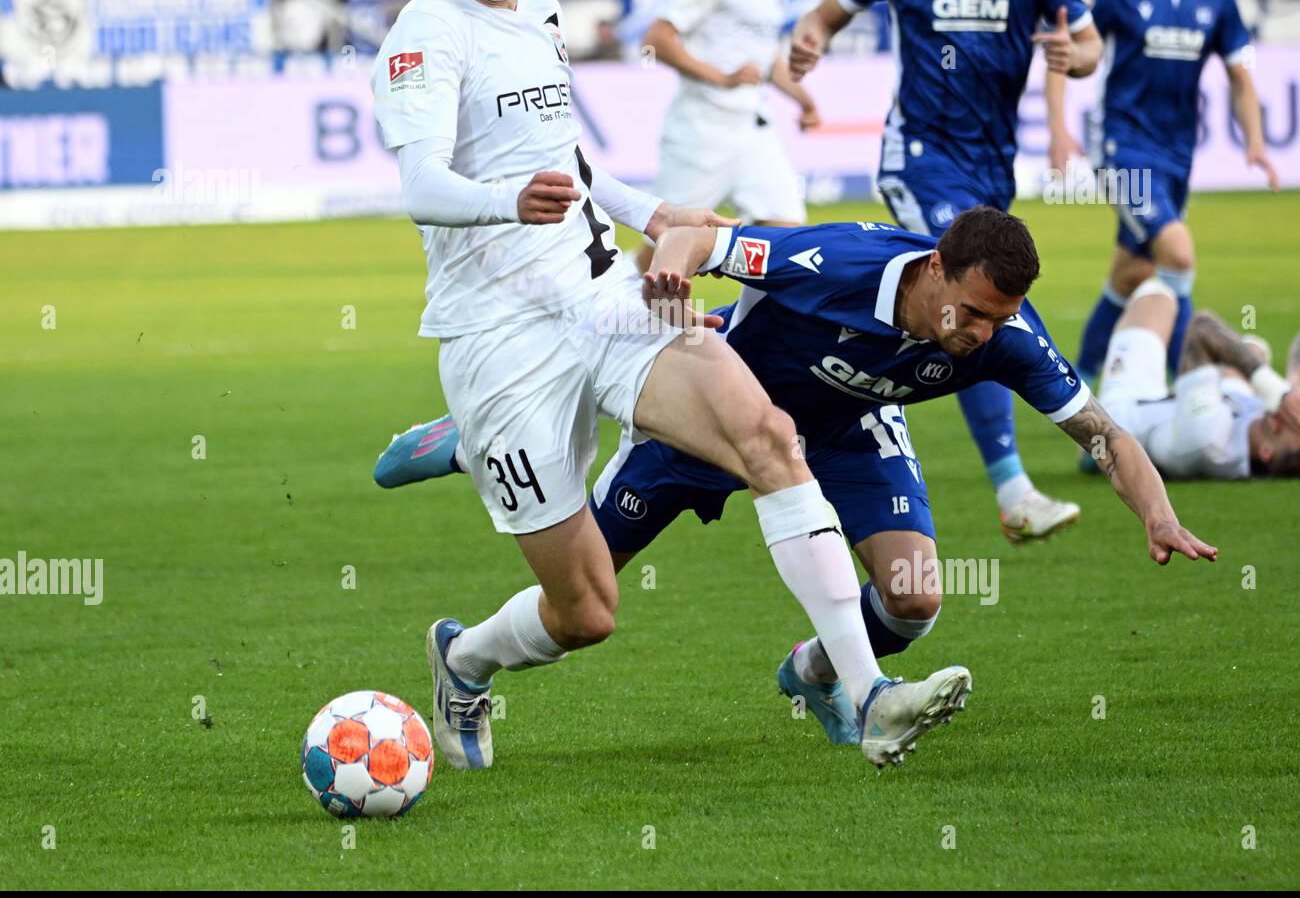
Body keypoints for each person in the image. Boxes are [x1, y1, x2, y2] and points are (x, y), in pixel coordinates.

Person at [370, 0, 967, 775]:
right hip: (499, 342)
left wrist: (656, 207)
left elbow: (571, 167)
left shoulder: (542, 12)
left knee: (768, 434)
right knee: (587, 612)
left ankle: (870, 691)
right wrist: (504, 203)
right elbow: (419, 186)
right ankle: (465, 654)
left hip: (604, 297)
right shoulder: (423, 40)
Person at [376, 208, 1217, 749]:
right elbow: (699, 235)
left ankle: (818, 673)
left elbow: (1103, 431)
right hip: (706, 422)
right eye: (974, 311)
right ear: (933, 270)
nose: (984, 334)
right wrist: (670, 276)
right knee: (584, 609)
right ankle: (467, 645)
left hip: (845, 431)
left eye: (1002, 318)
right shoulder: (839, 261)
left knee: (918, 596)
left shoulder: (1006, 336)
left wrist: (1157, 511)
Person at [787, 0, 1103, 542]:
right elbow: (825, 17)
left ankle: (851, 399)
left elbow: (1084, 46)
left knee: (961, 315)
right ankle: (1014, 486)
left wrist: (1071, 61)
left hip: (991, 162)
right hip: (919, 154)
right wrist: (806, 49)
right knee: (977, 296)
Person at [1059, 0, 1279, 386]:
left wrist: (1257, 143)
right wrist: (1059, 125)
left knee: (1130, 275)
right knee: (1178, 254)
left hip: (1177, 154)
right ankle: (1189, 377)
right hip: (1122, 146)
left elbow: (1241, 79)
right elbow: (1073, 45)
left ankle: (1075, 383)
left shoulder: (1218, 0)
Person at [634, 0, 819, 275]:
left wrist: (804, 100)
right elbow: (656, 40)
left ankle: (761, 337)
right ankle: (611, 315)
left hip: (752, 129)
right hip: (702, 130)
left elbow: (765, 56)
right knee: (662, 253)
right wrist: (723, 79)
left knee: (787, 240)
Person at [1096, 281, 1300, 480]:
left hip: (1125, 413)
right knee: (1254, 349)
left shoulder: (1208, 440)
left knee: (1157, 296)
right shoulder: (1266, 426)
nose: (1293, 415)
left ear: (1266, 452)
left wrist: (1277, 390)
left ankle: (1089, 441)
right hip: (1202, 408)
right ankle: (1190, 377)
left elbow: (1202, 327)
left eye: (1294, 425)